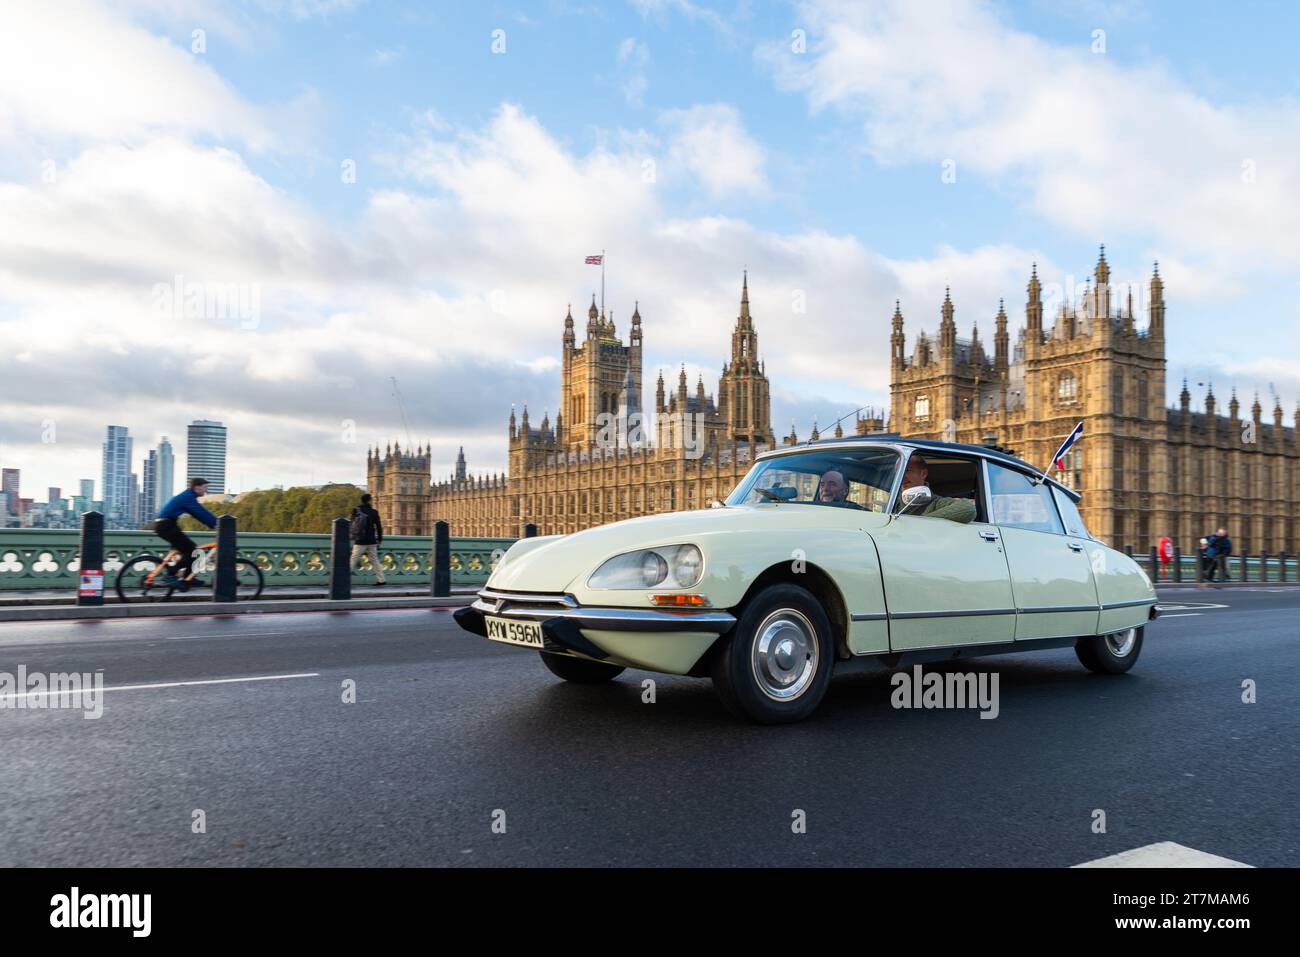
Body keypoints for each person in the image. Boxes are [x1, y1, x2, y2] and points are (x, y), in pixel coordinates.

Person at [155, 477, 217, 589]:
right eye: (205, 487)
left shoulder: (187, 496)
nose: (206, 490)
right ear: (197, 487)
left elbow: (198, 514)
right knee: (194, 552)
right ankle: (170, 575)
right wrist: (218, 524)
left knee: (192, 551)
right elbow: (201, 512)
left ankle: (188, 578)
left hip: (166, 525)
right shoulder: (188, 497)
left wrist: (213, 524)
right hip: (166, 526)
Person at [897, 453, 976, 524]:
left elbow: (968, 509)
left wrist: (920, 523)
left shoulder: (937, 503)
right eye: (899, 472)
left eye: (906, 470)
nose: (901, 477)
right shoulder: (890, 503)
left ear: (923, 474)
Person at [349, 493, 387, 585]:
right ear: (369, 500)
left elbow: (351, 524)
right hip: (371, 540)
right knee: (374, 560)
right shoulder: (374, 512)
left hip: (360, 540)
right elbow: (379, 527)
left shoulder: (356, 510)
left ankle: (344, 578)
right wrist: (380, 539)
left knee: (353, 559)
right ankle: (381, 579)